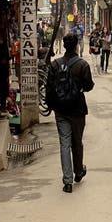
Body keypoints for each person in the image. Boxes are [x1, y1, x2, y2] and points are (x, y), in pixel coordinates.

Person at [47, 32, 94, 193]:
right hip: (78, 109)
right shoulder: (82, 65)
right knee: (77, 141)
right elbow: (89, 86)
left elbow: (49, 89)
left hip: (60, 110)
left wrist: (51, 106)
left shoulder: (55, 65)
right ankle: (79, 171)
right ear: (75, 46)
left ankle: (67, 181)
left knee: (64, 144)